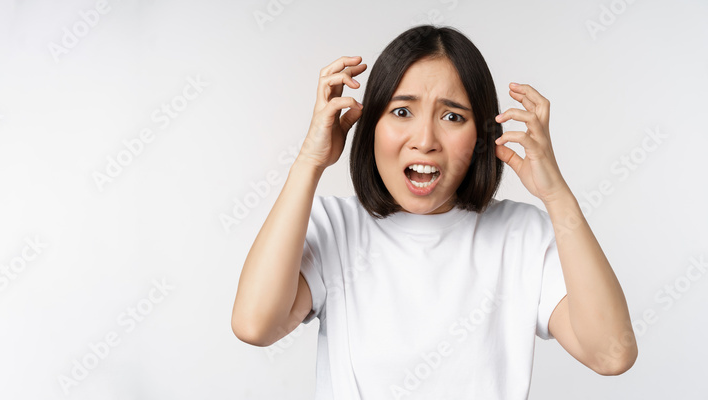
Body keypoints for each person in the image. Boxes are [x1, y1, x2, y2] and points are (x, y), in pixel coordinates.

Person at [230, 25, 637, 399]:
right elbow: (255, 325)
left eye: (452, 116)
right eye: (402, 111)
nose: (425, 140)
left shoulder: (523, 234)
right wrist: (309, 162)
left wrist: (557, 195)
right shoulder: (335, 227)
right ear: (371, 125)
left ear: (483, 135)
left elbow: (610, 355)